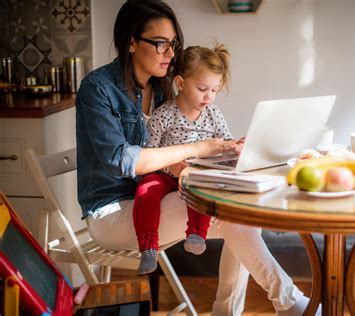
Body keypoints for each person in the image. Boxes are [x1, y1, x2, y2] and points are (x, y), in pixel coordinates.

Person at [75, 0, 310, 314]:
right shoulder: (98, 89)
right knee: (229, 212)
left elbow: (168, 152)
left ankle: (239, 310)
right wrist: (200, 149)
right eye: (160, 44)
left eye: (172, 44)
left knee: (240, 213)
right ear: (131, 41)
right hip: (113, 212)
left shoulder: (161, 89)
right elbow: (124, 160)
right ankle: (289, 302)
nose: (171, 54)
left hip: (157, 200)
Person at [134, 42, 240, 274]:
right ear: (180, 83)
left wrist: (236, 146)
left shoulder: (213, 114)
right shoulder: (164, 114)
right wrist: (170, 167)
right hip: (164, 174)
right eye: (203, 89)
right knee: (145, 192)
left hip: (195, 174)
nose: (209, 97)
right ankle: (149, 247)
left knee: (202, 188)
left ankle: (196, 233)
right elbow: (149, 153)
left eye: (214, 90)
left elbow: (225, 143)